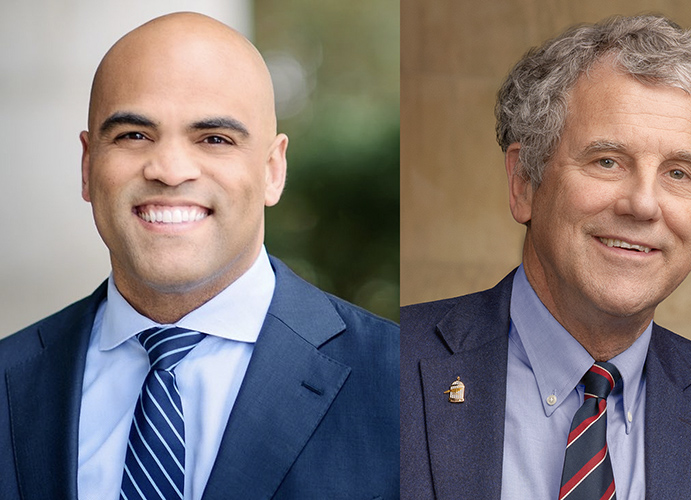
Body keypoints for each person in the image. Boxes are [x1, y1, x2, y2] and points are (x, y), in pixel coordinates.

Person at [0, 12, 398, 500]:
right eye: (133, 135)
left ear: (273, 170)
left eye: (214, 139)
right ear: (88, 166)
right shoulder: (7, 379)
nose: (169, 170)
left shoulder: (401, 383)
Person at [401, 14, 691, 500]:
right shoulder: (390, 367)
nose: (643, 205)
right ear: (524, 182)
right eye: (607, 161)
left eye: (678, 173)